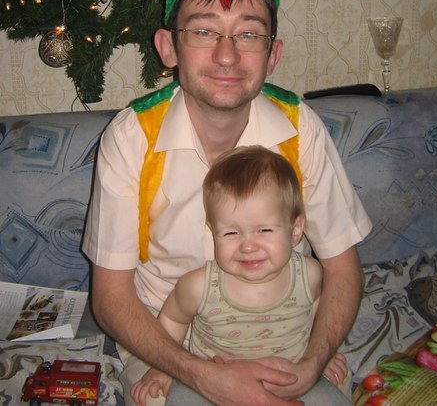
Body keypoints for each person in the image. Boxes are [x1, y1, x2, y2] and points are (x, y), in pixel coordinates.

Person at [82, 0, 372, 406]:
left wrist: (314, 360)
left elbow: (343, 269)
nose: (226, 55)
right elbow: (111, 299)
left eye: (248, 33)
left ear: (272, 54)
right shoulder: (131, 138)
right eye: (203, 31)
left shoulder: (300, 127)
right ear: (168, 48)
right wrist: (202, 376)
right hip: (167, 345)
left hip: (284, 334)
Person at [131, 145, 350, 406]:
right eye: (231, 233)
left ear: (295, 230)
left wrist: (321, 354)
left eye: (264, 230)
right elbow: (172, 320)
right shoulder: (198, 286)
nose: (248, 246)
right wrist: (163, 368)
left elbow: (318, 309)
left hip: (290, 380)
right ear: (212, 231)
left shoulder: (310, 274)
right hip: (212, 385)